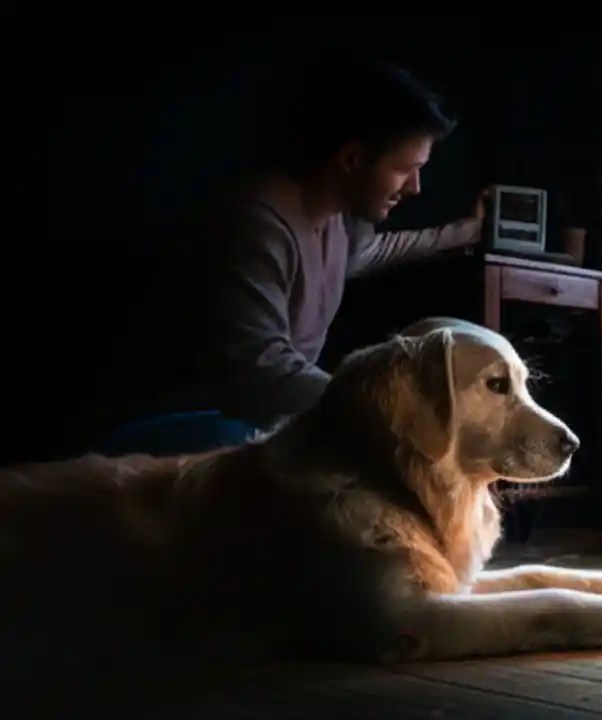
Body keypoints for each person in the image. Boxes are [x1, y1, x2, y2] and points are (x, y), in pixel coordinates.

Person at [95, 57, 489, 454]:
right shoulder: (258, 224)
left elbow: (376, 250)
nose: (416, 187)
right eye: (406, 169)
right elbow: (260, 367)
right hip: (189, 426)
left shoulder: (337, 223)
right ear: (351, 158)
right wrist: (385, 411)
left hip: (250, 421)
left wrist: (464, 232)